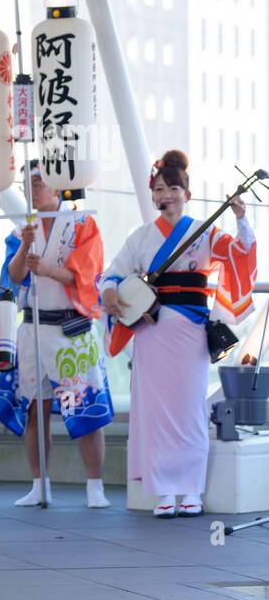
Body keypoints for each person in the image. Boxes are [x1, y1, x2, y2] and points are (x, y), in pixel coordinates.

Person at [101, 150, 257, 518]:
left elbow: (239, 253)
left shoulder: (203, 232)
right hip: (151, 332)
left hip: (189, 332)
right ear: (152, 196)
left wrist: (240, 217)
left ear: (187, 193)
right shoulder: (140, 238)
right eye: (158, 189)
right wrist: (109, 292)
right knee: (155, 412)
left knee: (188, 410)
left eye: (173, 187)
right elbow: (111, 274)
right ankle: (163, 493)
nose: (165, 195)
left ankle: (190, 489)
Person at [0, 162, 113, 508]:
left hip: (71, 327)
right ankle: (39, 483)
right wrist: (23, 249)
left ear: (58, 188)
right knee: (35, 409)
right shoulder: (21, 229)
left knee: (85, 407)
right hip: (33, 326)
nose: (34, 189)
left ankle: (95, 484)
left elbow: (88, 276)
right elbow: (12, 277)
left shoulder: (82, 223)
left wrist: (49, 270)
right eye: (28, 184)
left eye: (40, 183)